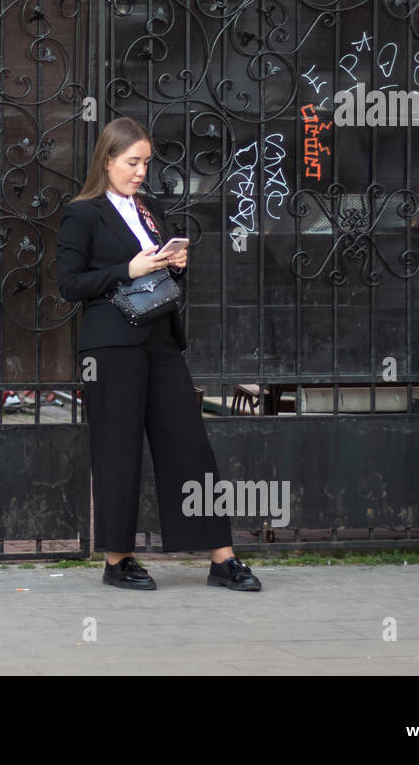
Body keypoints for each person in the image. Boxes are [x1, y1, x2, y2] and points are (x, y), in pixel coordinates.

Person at [55, 117, 262, 591]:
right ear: (107, 161)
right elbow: (69, 283)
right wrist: (125, 268)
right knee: (118, 451)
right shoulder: (83, 213)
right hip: (111, 345)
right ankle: (117, 559)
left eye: (145, 162)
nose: (140, 171)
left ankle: (221, 558)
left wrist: (176, 264)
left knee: (190, 445)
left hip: (161, 341)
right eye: (132, 162)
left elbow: (160, 277)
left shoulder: (149, 209)